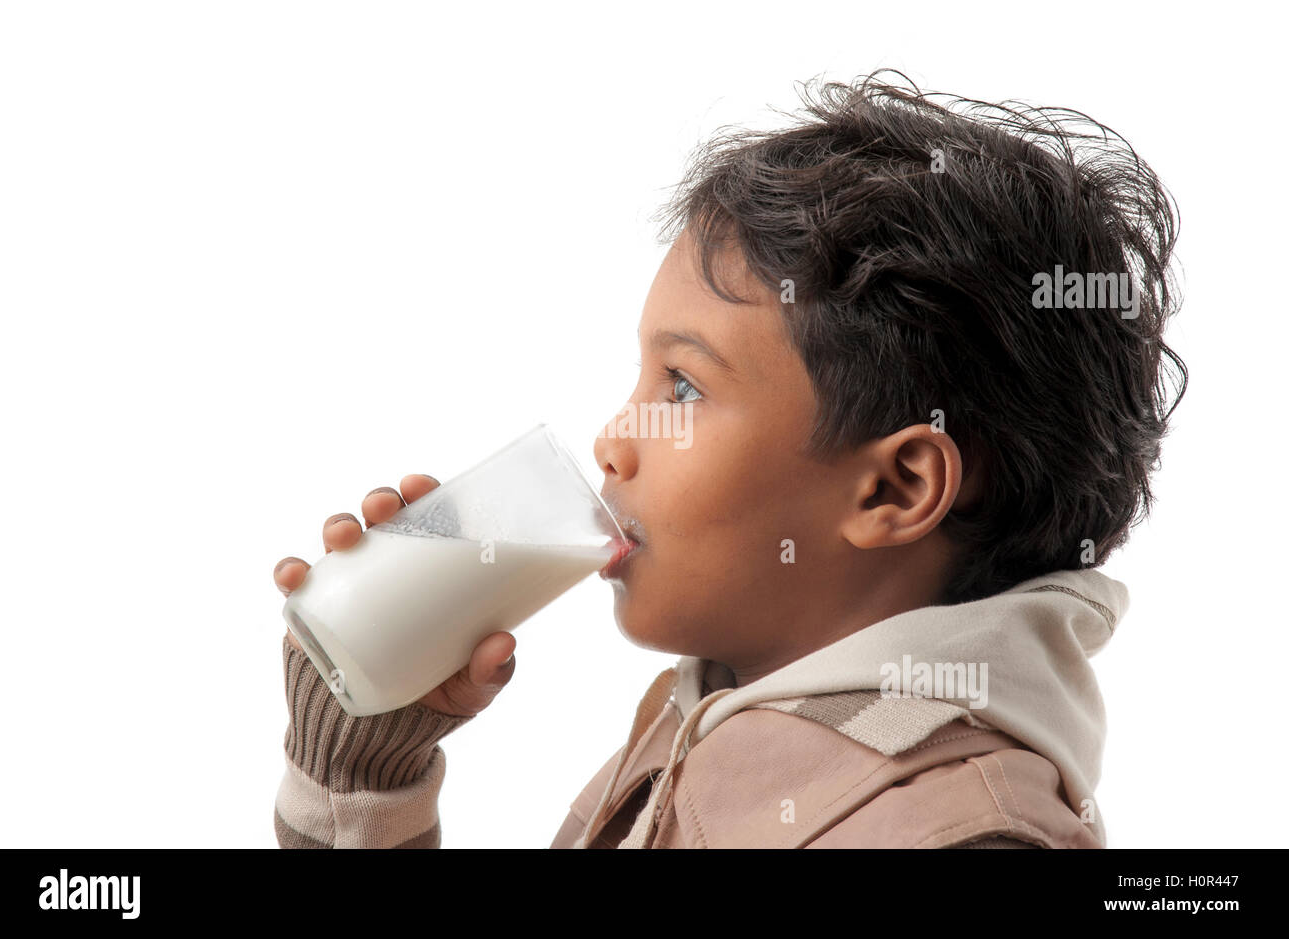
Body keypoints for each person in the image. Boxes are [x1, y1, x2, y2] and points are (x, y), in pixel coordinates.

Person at [272, 70, 1185, 849]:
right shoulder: (708, 720)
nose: (611, 441)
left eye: (682, 388)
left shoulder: (959, 830)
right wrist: (358, 773)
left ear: (894, 487)